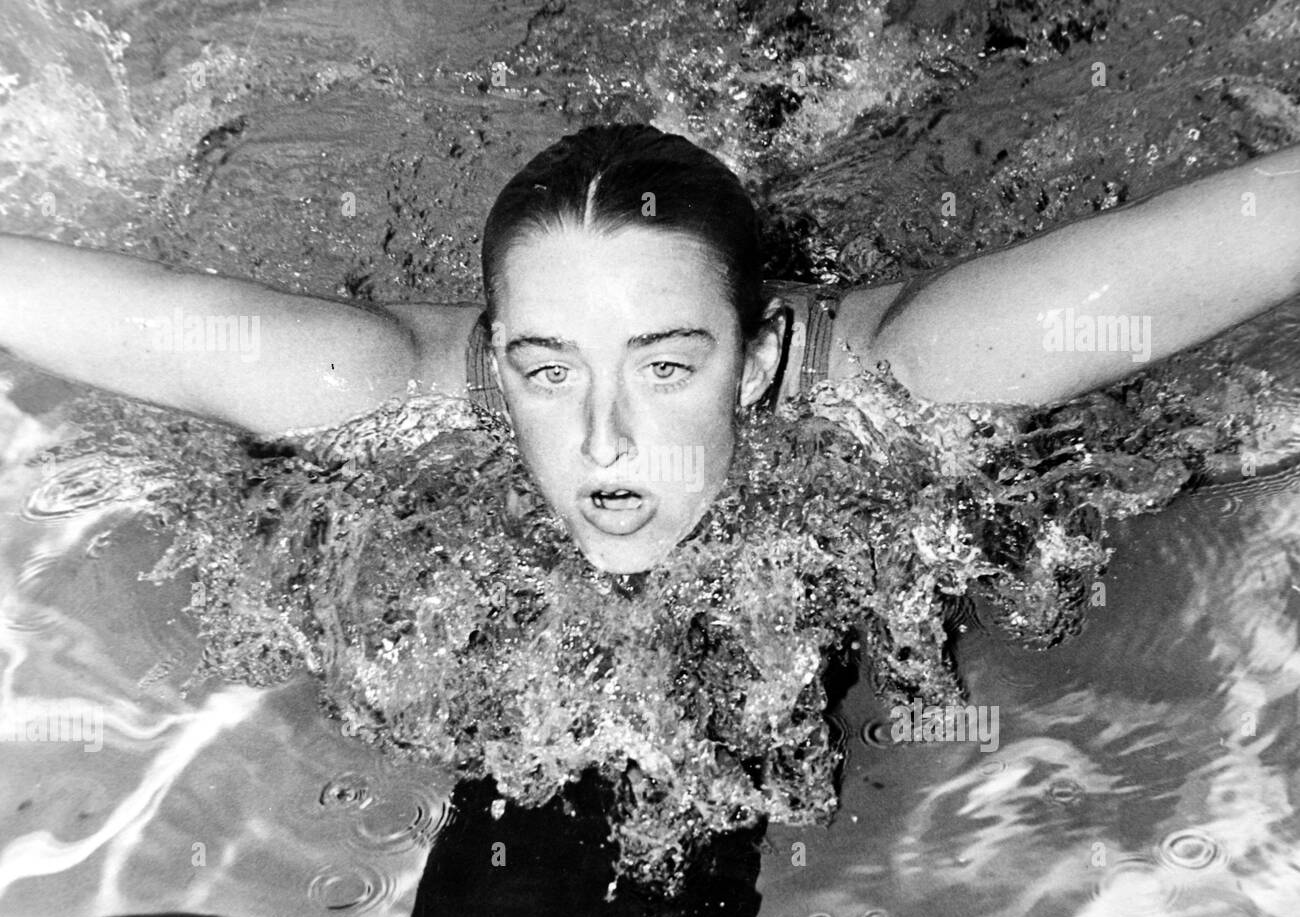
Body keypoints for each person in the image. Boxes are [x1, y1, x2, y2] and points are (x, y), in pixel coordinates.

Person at [2, 124, 1297, 574]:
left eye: (669, 365)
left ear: (761, 355)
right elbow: (83, 301)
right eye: (548, 368)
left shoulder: (923, 364)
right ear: (494, 354)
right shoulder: (370, 384)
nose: (603, 439)